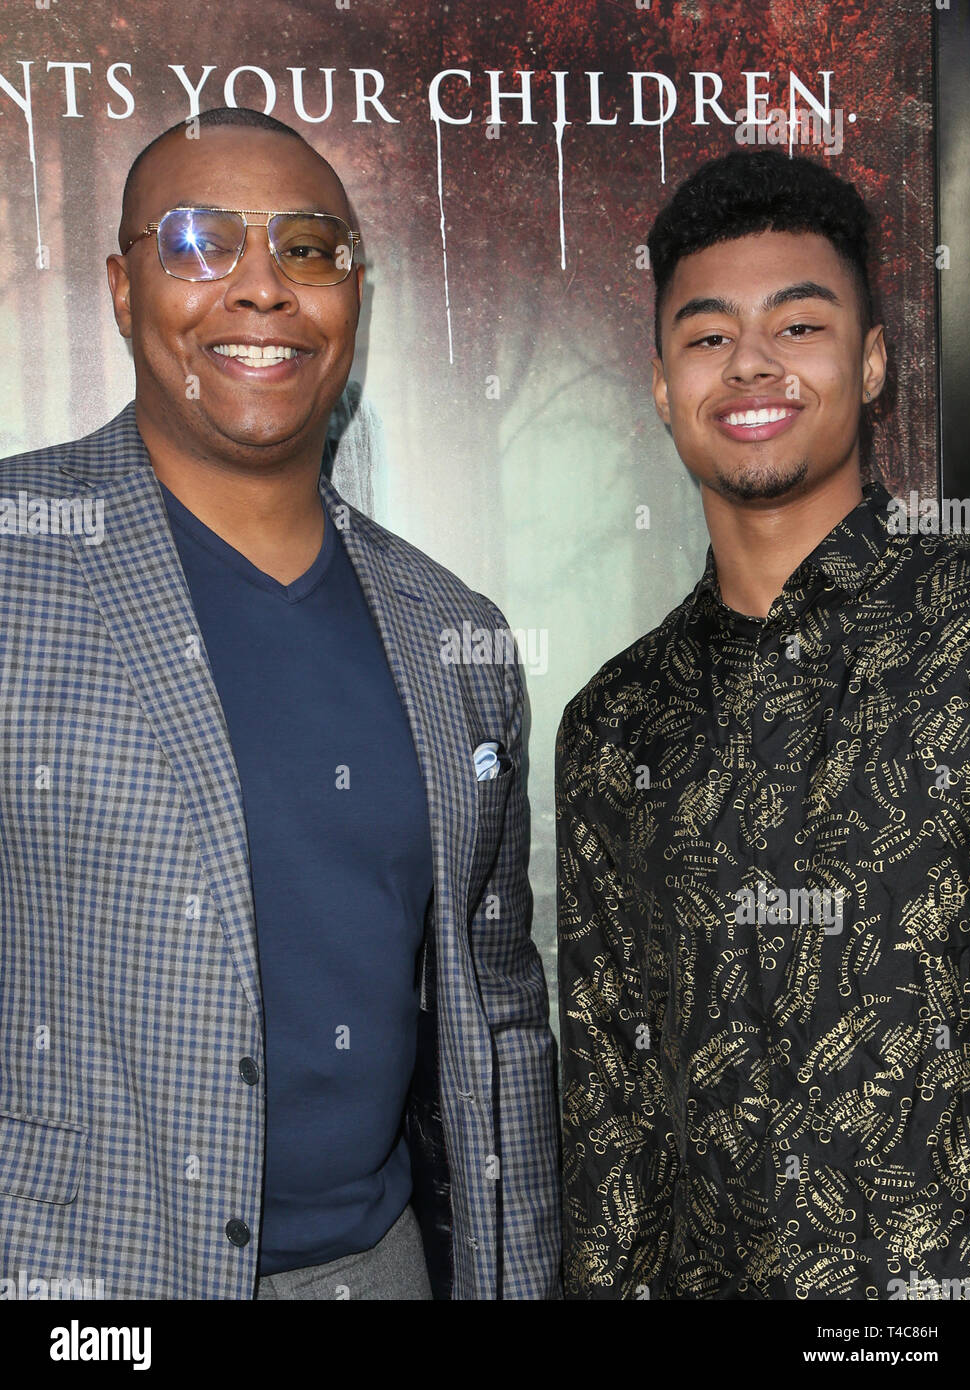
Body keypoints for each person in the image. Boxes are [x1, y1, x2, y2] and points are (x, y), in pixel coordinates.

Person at [0, 106, 560, 1301]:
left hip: (379, 1270)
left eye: (308, 247)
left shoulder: (453, 631)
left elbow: (499, 1007)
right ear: (120, 286)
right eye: (201, 242)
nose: (262, 288)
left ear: (354, 294)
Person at [556, 147, 970, 1300]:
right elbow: (614, 1109)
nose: (750, 361)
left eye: (798, 325)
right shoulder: (615, 723)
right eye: (706, 336)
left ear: (874, 358)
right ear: (662, 384)